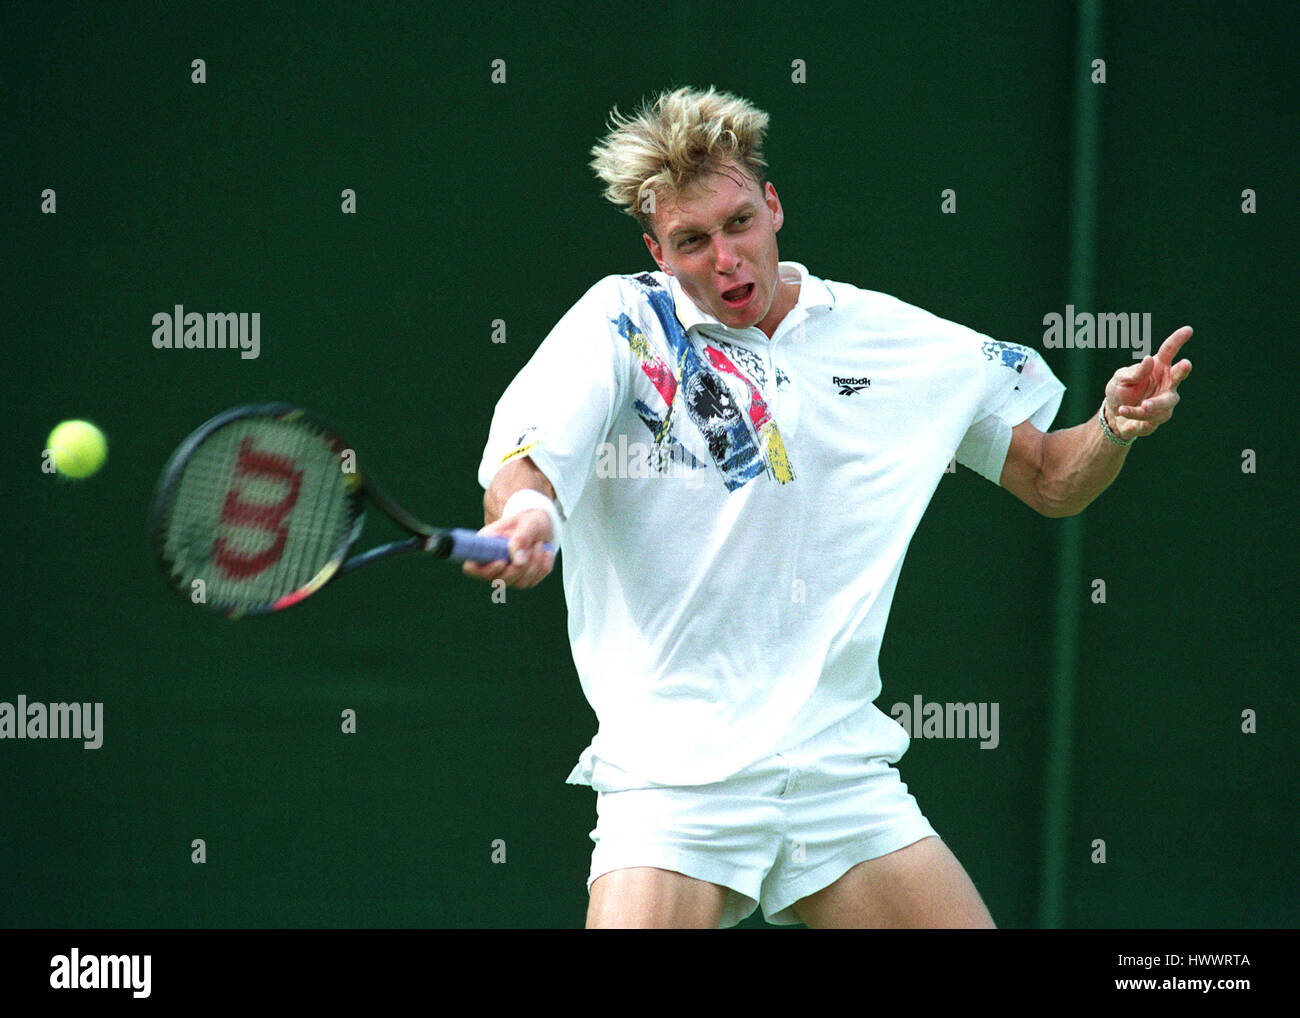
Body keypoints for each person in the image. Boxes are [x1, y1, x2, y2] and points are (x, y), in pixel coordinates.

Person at [464, 86, 1192, 929]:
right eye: (692, 241)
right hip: (672, 782)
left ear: (773, 207)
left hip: (838, 773)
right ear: (657, 251)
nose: (725, 258)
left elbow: (1050, 477)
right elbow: (525, 462)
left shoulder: (893, 341)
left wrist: (1113, 424)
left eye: (738, 223)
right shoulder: (621, 324)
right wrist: (525, 517)